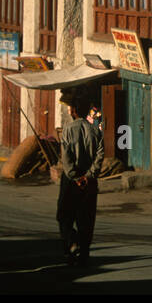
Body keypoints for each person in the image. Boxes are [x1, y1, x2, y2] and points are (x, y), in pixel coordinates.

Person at [57, 100, 103, 266]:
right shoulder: (95, 131)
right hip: (89, 182)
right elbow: (100, 155)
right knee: (86, 218)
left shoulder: (68, 129)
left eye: (71, 107)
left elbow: (66, 156)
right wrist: (89, 176)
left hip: (71, 181)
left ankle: (71, 243)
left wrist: (75, 177)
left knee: (64, 215)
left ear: (74, 110)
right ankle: (84, 253)